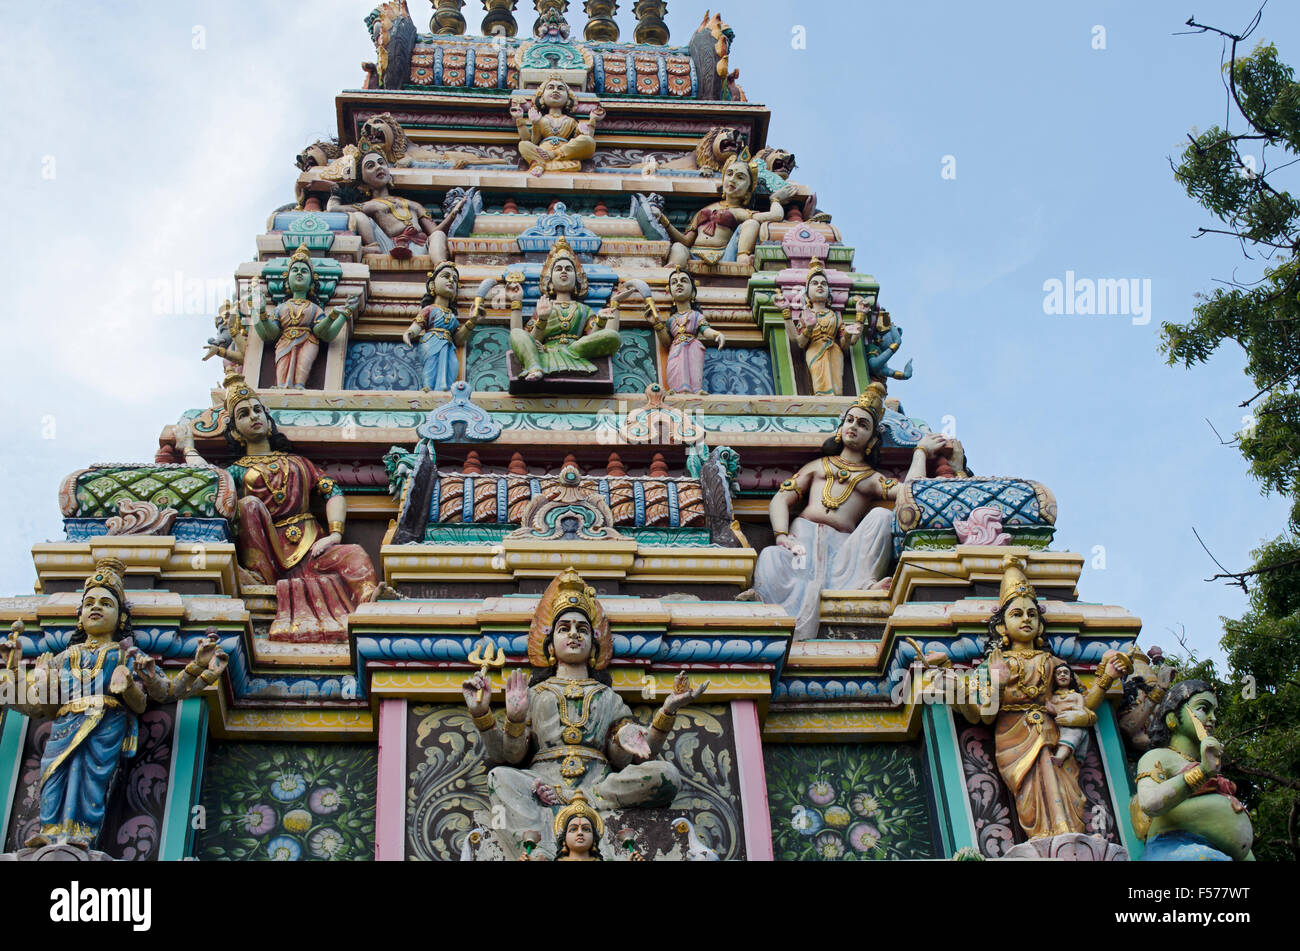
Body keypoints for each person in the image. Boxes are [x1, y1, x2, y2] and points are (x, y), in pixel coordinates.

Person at [461, 567, 707, 860]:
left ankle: (589, 800)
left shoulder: (608, 697)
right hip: (541, 782)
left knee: (666, 774)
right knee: (499, 778)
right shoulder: (535, 694)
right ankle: (536, 850)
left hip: (600, 785)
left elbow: (627, 756)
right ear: (550, 645)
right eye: (564, 629)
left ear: (594, 645)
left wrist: (667, 710)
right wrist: (494, 716)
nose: (574, 635)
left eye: (582, 629)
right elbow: (512, 756)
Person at [0, 559, 226, 849]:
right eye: (89, 603)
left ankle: (80, 833)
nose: (96, 607)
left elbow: (161, 692)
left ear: (120, 619)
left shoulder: (125, 656)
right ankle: (52, 829)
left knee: (91, 778)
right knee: (55, 774)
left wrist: (198, 667)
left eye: (106, 603)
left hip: (106, 725)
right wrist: (13, 670)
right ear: (79, 617)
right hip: (65, 723)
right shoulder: (60, 658)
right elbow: (36, 706)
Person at [177, 372, 383, 643]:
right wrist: (189, 449)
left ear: (267, 416)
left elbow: (333, 492)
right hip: (268, 551)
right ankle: (258, 575)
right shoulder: (237, 472)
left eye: (257, 410)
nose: (253, 416)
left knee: (354, 553)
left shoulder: (298, 462)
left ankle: (370, 604)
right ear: (236, 431)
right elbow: (212, 482)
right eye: (243, 414)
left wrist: (334, 535)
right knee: (248, 505)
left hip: (312, 547)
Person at [945, 556, 1131, 839]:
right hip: (1014, 738)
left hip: (1054, 734)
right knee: (1031, 797)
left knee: (1066, 791)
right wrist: (995, 682)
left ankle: (1067, 833)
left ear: (1041, 625)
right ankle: (1044, 838)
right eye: (1016, 614)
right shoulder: (995, 663)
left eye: (1032, 614)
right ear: (1002, 627)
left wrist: (1105, 679)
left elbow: (1083, 703)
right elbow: (983, 714)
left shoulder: (1052, 662)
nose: (1026, 620)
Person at [748, 383, 947, 640]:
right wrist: (781, 535)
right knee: (770, 559)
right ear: (841, 429)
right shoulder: (819, 466)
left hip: (844, 554)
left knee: (882, 516)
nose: (854, 426)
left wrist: (919, 453)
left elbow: (910, 493)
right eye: (850, 420)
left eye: (863, 424)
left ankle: (863, 583)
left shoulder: (870, 479)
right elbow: (780, 500)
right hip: (801, 544)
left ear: (872, 440)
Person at [1136, 680, 1254, 860]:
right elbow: (1150, 803)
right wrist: (1202, 772)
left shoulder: (1209, 764)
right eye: (1204, 709)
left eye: (1215, 712)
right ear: (1172, 718)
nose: (1213, 718)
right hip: (1175, 848)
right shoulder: (1159, 756)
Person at [508, 236, 622, 382]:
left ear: (576, 279)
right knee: (517, 333)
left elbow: (594, 336)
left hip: (576, 350)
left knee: (612, 336)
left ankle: (552, 362)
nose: (564, 272)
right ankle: (534, 367)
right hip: (545, 352)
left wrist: (602, 320)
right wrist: (542, 318)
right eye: (558, 269)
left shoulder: (583, 309)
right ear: (549, 280)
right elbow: (529, 341)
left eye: (568, 269)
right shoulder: (544, 305)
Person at [327, 145, 464, 261]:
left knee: (438, 236)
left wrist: (452, 215)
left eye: (381, 163)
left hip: (421, 247)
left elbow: (434, 231)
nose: (378, 167)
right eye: (370, 166)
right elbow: (333, 209)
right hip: (388, 247)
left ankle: (441, 269)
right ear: (363, 184)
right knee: (358, 216)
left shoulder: (413, 204)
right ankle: (372, 247)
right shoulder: (369, 205)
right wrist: (335, 190)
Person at [657, 151, 792, 268]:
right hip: (694, 254)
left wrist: (775, 199)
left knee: (751, 223)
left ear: (747, 192)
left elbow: (776, 215)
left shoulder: (740, 212)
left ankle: (742, 256)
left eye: (740, 177)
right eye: (729, 174)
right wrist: (664, 221)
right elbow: (686, 241)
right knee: (678, 248)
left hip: (725, 255)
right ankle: (674, 274)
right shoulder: (706, 209)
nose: (732, 179)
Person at [252, 244, 357, 388]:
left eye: (304, 271)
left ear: (312, 282)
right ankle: (282, 386)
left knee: (303, 366)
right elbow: (272, 333)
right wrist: (261, 312)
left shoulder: (314, 308)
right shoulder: (281, 308)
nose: (299, 273)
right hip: (284, 341)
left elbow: (323, 333)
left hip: (308, 341)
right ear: (287, 279)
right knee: (283, 367)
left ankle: (300, 386)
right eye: (294, 270)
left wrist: (337, 315)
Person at [782, 259, 863, 396]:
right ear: (807, 292)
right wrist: (808, 328)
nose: (820, 286)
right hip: (815, 350)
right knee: (820, 387)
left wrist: (861, 316)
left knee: (837, 389)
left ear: (829, 292)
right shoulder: (806, 314)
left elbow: (847, 343)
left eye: (823, 284)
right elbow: (800, 342)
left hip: (835, 351)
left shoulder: (834, 315)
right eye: (815, 283)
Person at [402, 261, 479, 391]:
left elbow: (459, 339)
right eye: (446, 276)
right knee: (431, 366)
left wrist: (472, 320)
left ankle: (445, 389)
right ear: (432, 284)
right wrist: (409, 333)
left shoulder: (452, 316)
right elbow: (418, 324)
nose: (451, 281)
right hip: (431, 342)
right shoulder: (429, 309)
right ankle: (428, 387)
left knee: (452, 367)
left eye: (454, 279)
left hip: (449, 346)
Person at [512, 75, 604, 177]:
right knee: (523, 145)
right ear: (542, 96)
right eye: (551, 88)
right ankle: (540, 163)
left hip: (564, 151)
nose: (555, 91)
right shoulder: (540, 118)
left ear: (568, 98)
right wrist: (524, 120)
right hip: (543, 150)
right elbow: (533, 141)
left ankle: (550, 158)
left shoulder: (571, 121)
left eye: (560, 88)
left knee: (588, 141)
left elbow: (587, 140)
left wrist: (593, 120)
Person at [652, 267, 725, 395]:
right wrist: (657, 324)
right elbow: (666, 342)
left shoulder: (696, 316)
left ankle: (696, 390)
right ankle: (676, 390)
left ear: (692, 292)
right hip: (675, 349)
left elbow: (705, 329)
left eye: (684, 281)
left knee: (694, 369)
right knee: (676, 370)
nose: (679, 284)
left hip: (693, 347)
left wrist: (716, 334)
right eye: (674, 282)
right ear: (671, 292)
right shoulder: (671, 320)